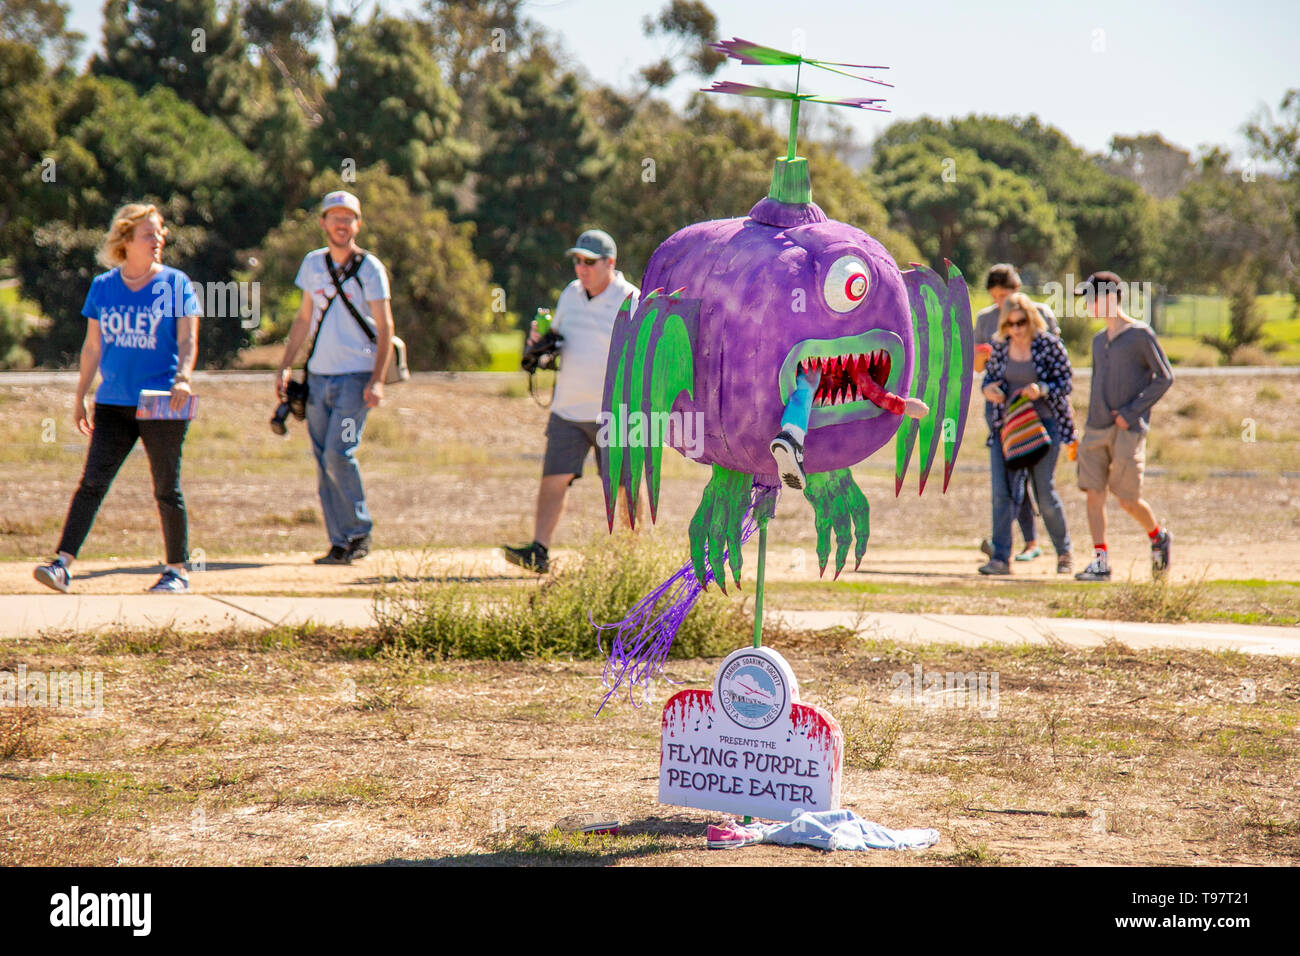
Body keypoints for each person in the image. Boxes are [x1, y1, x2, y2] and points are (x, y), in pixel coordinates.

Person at [33, 203, 201, 594]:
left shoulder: (176, 284)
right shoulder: (103, 286)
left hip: (162, 400)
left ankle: (177, 570)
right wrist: (81, 395)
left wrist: (183, 378)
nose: (157, 240)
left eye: (160, 233)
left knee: (165, 487)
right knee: (92, 482)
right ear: (126, 240)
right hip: (112, 403)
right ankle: (62, 565)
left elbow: (188, 337)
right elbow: (92, 346)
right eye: (148, 234)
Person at [503, 230, 640, 573]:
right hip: (568, 409)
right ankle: (539, 551)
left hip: (617, 413)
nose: (581, 267)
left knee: (623, 488)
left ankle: (627, 561)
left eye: (589, 262)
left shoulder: (632, 300)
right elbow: (556, 340)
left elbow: (646, 355)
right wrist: (540, 346)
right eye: (577, 260)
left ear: (611, 263)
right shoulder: (570, 294)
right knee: (554, 478)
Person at [275, 190, 394, 565]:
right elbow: (303, 318)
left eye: (349, 218)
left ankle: (359, 532)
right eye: (335, 217)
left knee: (340, 453)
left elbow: (386, 325)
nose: (342, 225)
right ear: (323, 222)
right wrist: (285, 364)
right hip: (318, 378)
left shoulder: (370, 268)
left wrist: (377, 380)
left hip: (356, 378)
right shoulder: (312, 265)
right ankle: (338, 541)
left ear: (358, 225)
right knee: (321, 457)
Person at [1073, 271, 1173, 582]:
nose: (1088, 304)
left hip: (1128, 430)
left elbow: (1165, 378)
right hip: (1096, 427)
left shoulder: (1140, 335)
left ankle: (1157, 536)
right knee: (1093, 493)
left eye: (1093, 297)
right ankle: (1100, 562)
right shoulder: (1098, 340)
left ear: (1112, 298)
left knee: (1127, 499)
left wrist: (1130, 413)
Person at [977, 292, 1076, 575]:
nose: (1016, 330)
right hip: (1007, 429)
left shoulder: (1048, 345)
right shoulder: (1000, 347)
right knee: (1002, 494)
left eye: (1020, 323)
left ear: (1031, 319)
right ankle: (1000, 558)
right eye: (1010, 325)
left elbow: (1065, 382)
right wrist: (989, 390)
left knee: (1044, 492)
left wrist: (1041, 389)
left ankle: (1064, 552)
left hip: (1045, 426)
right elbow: (990, 379)